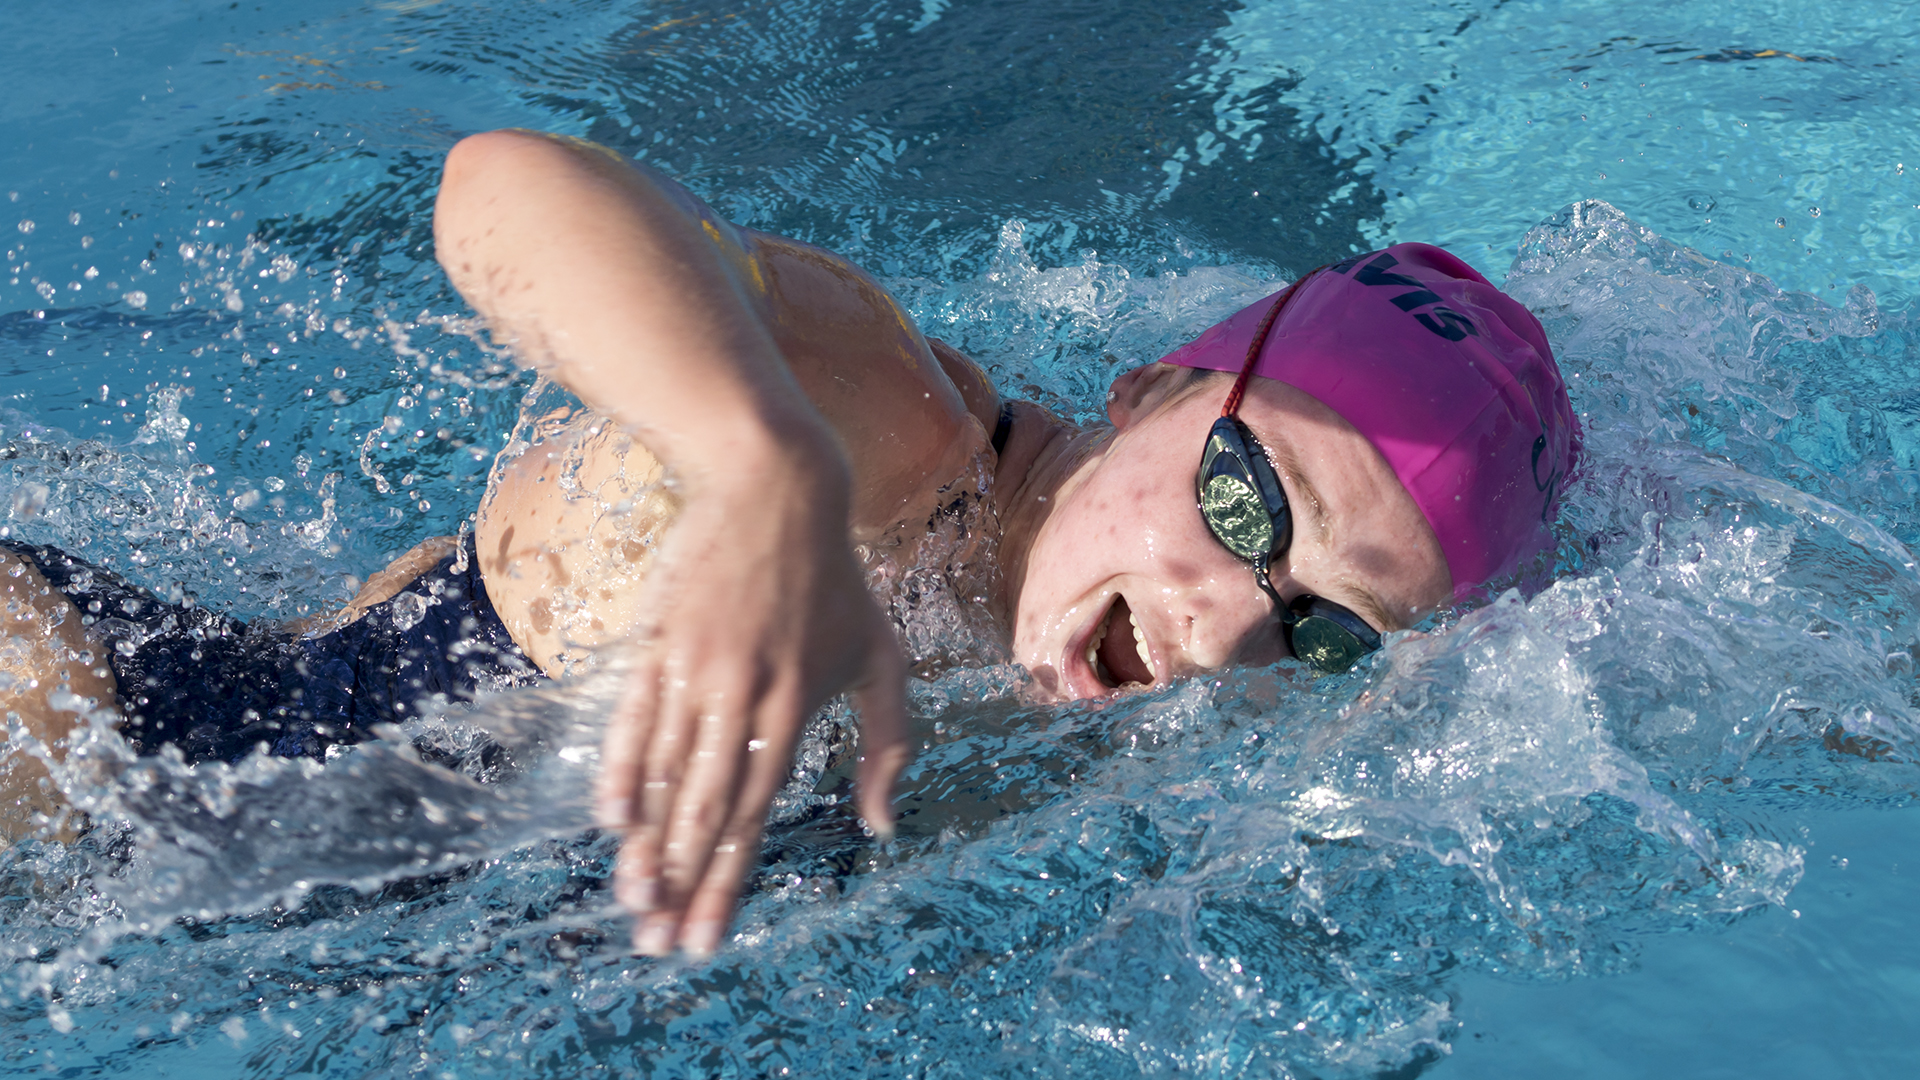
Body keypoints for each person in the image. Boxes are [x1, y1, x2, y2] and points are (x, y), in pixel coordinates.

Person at [0, 129, 1578, 956]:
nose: (1227, 623)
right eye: (1248, 507)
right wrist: (758, 475)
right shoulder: (887, 438)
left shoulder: (1079, 705)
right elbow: (506, 187)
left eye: (1322, 630)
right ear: (1155, 385)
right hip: (72, 740)